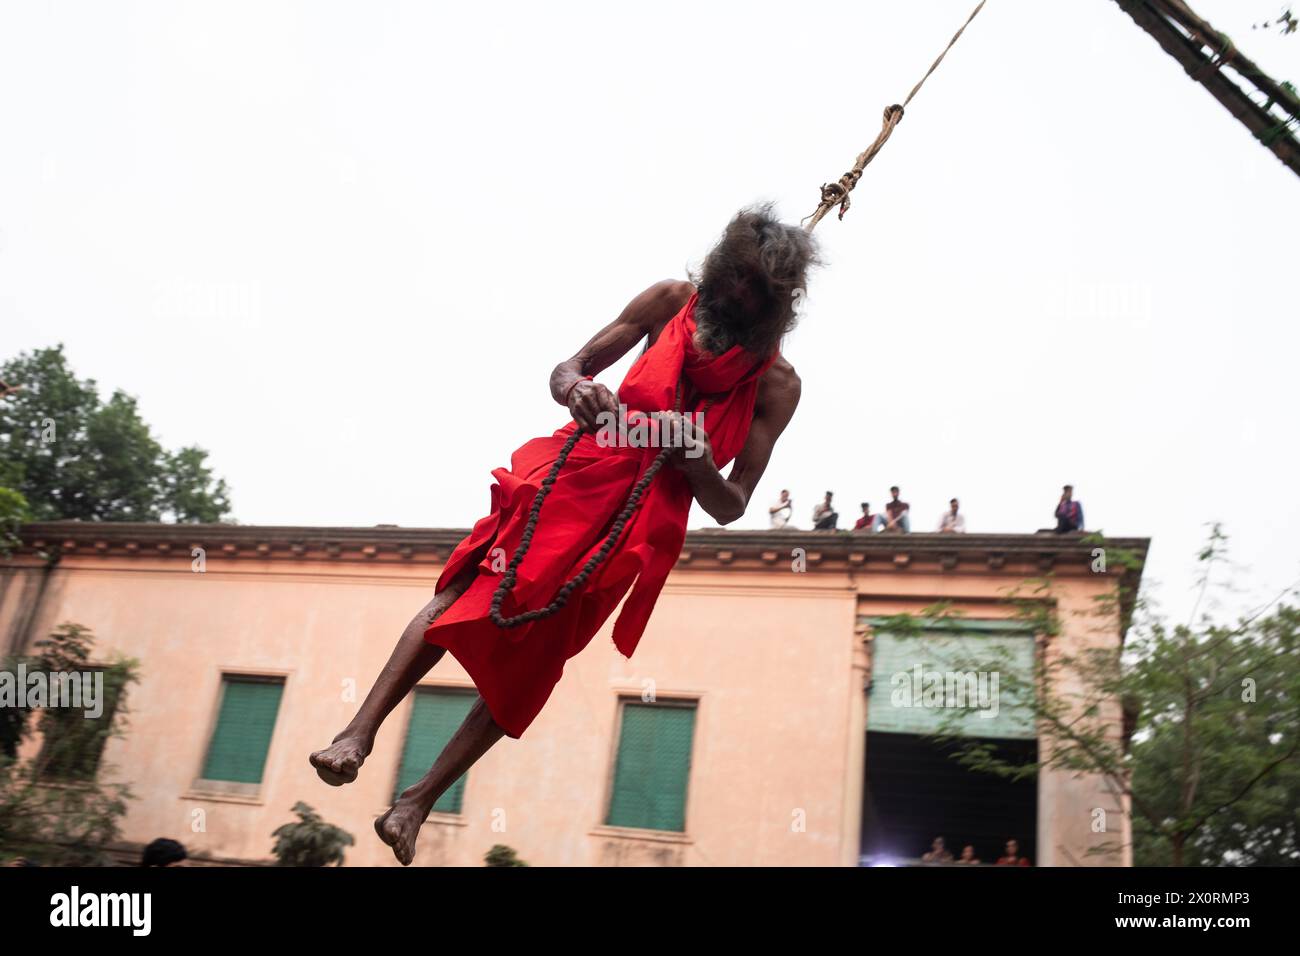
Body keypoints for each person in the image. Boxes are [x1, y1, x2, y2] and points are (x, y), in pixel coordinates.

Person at [310, 205, 820, 865]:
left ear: (779, 305)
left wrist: (695, 458)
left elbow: (733, 503)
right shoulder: (671, 301)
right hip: (576, 472)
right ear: (718, 270)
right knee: (468, 592)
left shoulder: (778, 386)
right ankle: (357, 733)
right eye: (733, 279)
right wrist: (579, 388)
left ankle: (415, 803)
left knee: (536, 659)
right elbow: (567, 369)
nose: (736, 296)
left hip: (636, 531)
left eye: (756, 292)